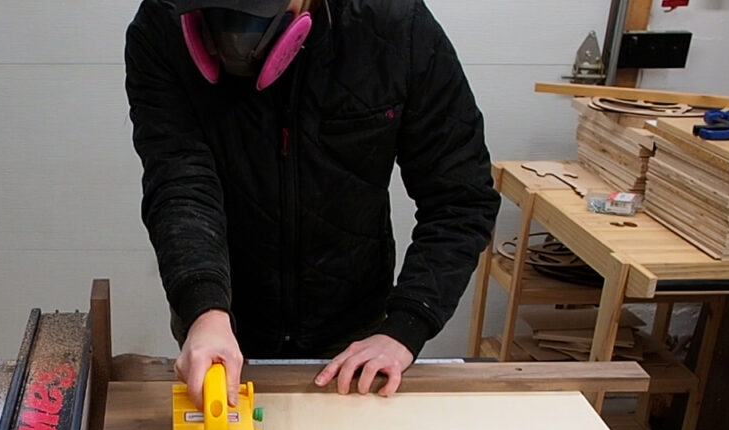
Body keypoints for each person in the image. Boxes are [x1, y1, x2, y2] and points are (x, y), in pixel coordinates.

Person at [125, 0, 500, 406]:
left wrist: (406, 326)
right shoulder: (162, 25)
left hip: (350, 340)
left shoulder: (393, 26)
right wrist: (204, 310)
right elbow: (179, 181)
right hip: (220, 326)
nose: (234, 29)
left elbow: (460, 198)